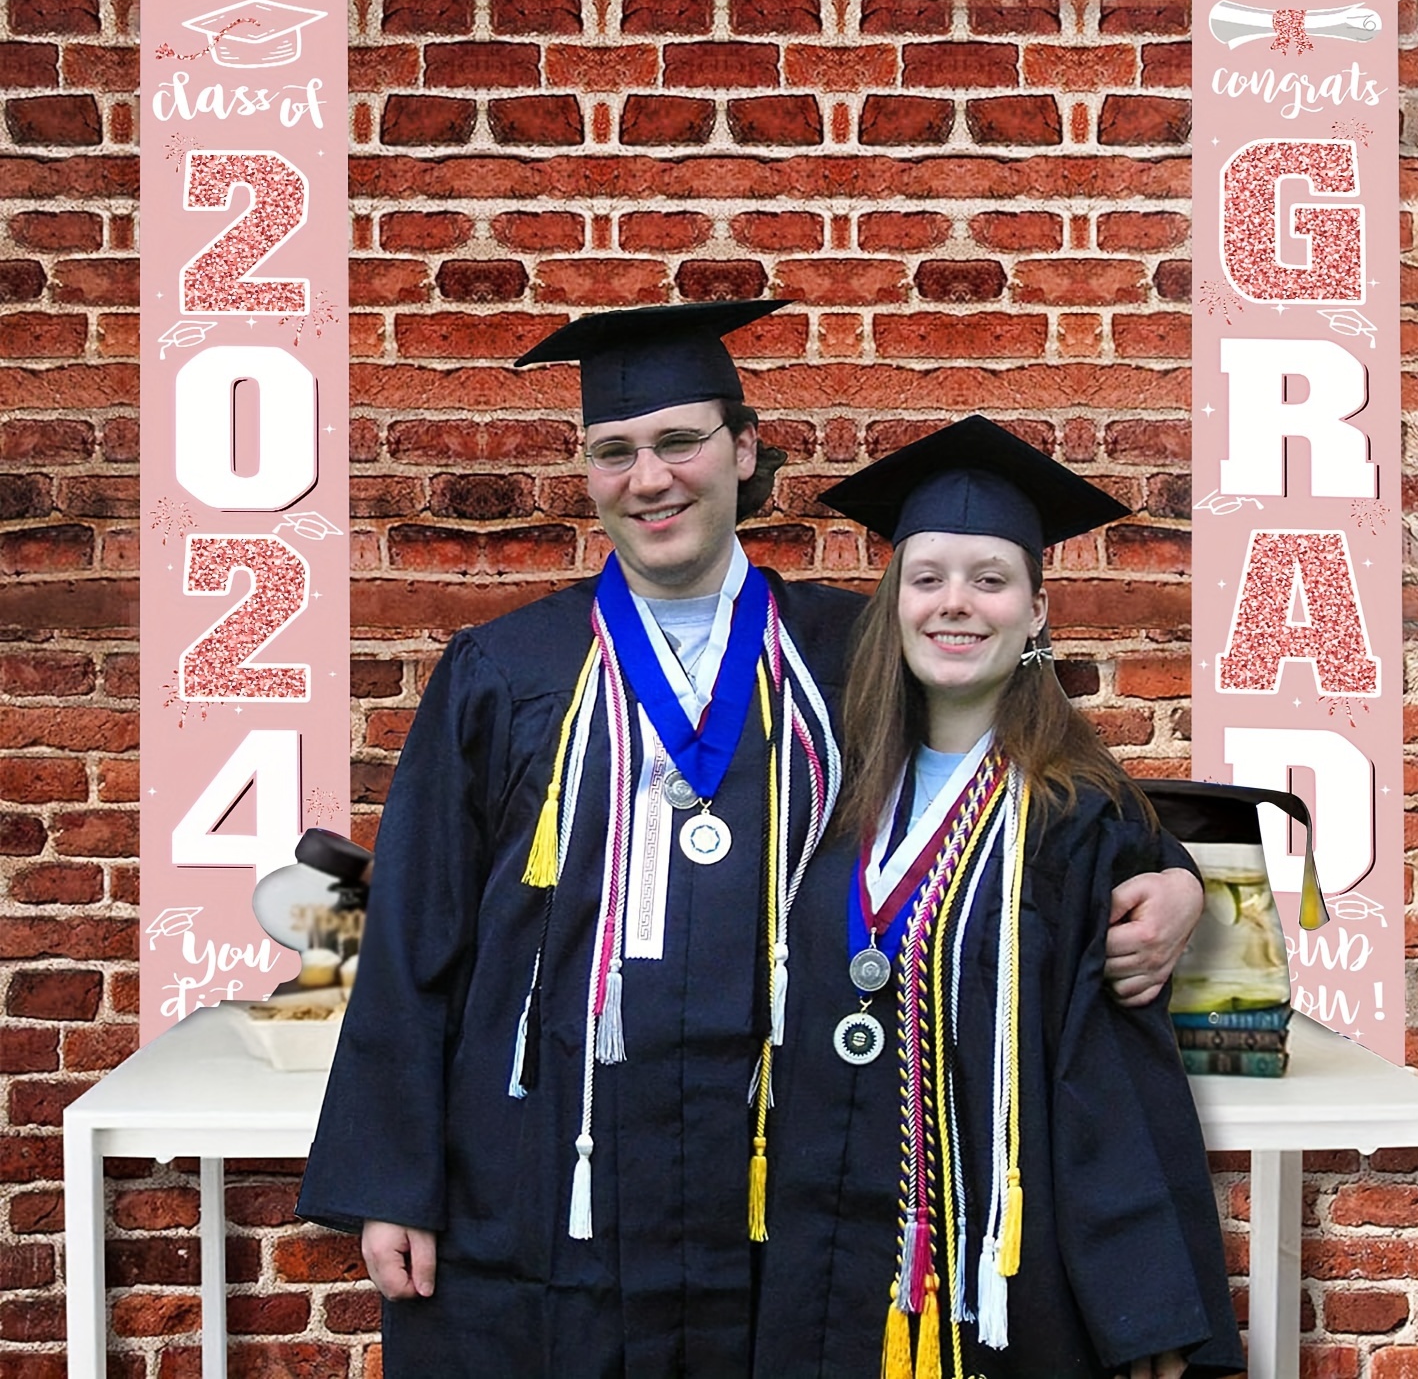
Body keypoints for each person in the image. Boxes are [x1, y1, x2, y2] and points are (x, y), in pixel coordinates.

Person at [295, 303, 1206, 1378]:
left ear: (743, 450)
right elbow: (413, 930)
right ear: (586, 473)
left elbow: (1019, 768)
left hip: (768, 1168)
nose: (651, 478)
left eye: (680, 441)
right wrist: (394, 1182)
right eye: (615, 452)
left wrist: (1168, 872)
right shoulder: (506, 671)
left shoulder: (840, 646)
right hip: (547, 1162)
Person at [754, 416, 1244, 1379]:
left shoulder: (1077, 813)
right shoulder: (821, 786)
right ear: (892, 603)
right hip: (814, 1240)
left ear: (1036, 611)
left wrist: (1147, 1308)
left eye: (991, 579)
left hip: (993, 1265)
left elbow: (1111, 1076)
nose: (956, 604)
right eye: (927, 577)